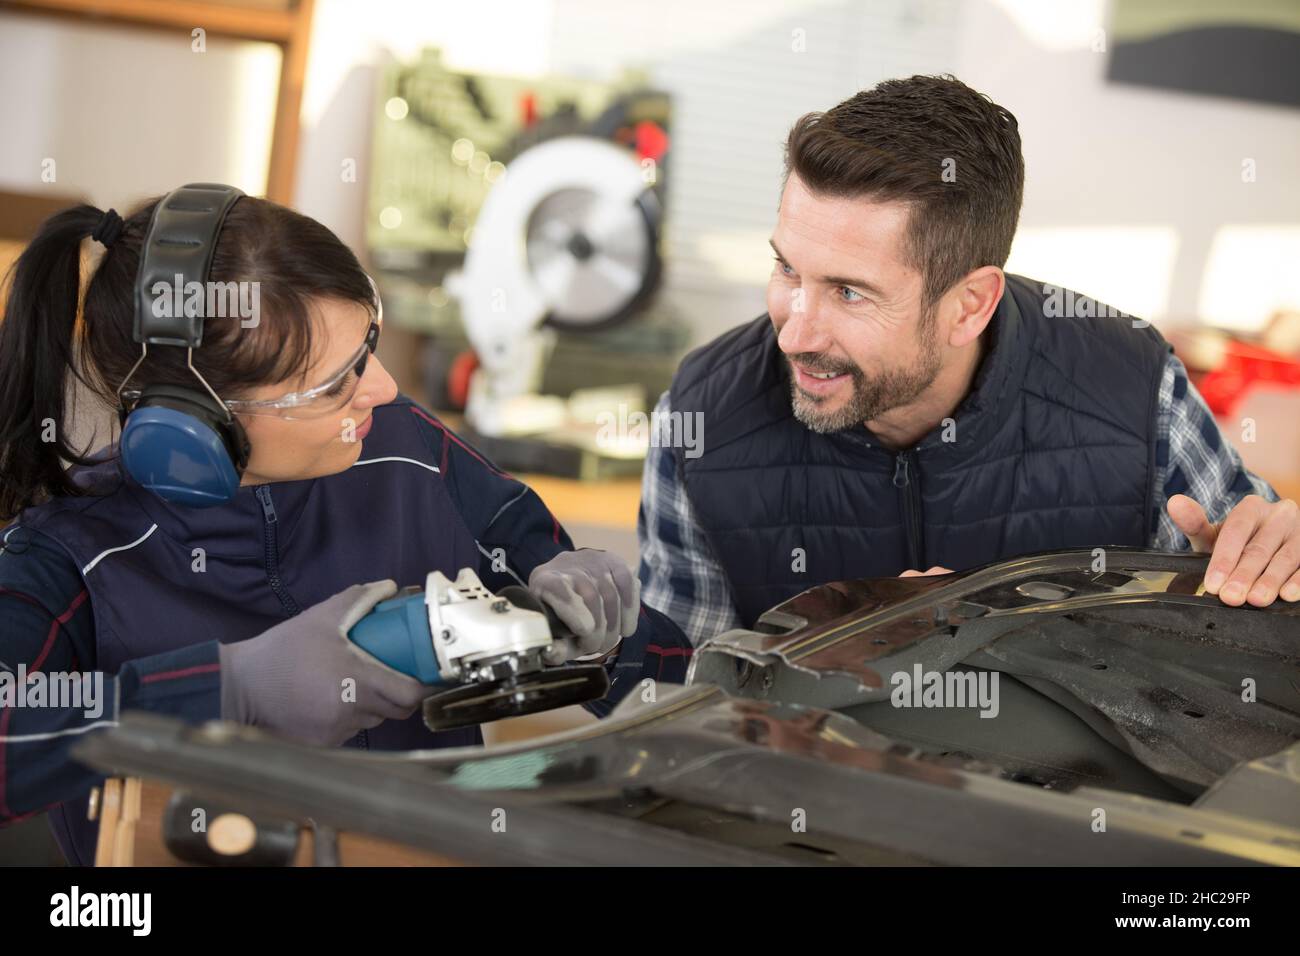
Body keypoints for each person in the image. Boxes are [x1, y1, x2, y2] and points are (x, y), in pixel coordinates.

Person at [0, 191, 690, 864]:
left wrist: (600, 639)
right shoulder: (72, 556)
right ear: (193, 428)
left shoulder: (407, 451)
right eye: (335, 383)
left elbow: (668, 679)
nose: (384, 387)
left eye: (368, 345)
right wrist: (235, 689)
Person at [639, 74, 1298, 645]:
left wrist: (1273, 578)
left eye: (848, 292)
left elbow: (1258, 636)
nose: (794, 334)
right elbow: (674, 708)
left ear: (970, 304)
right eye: (788, 268)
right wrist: (830, 657)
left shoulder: (1133, 386)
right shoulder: (701, 417)